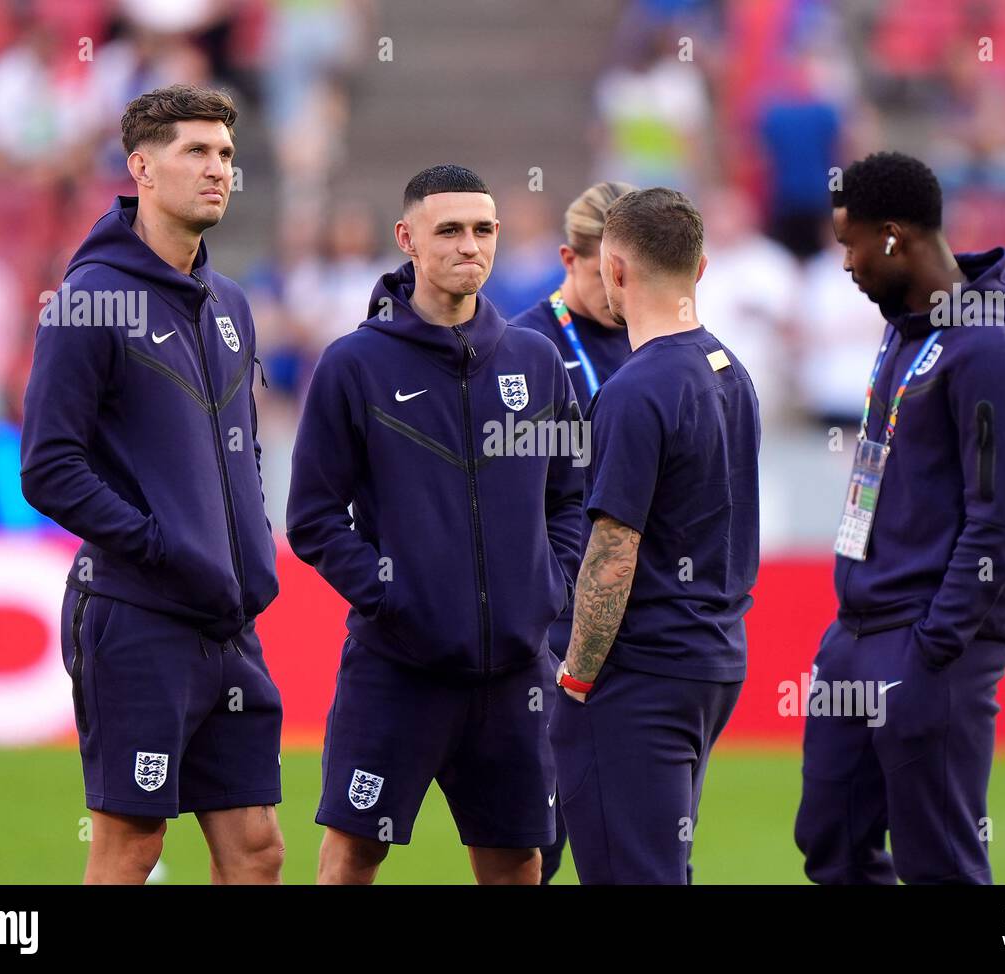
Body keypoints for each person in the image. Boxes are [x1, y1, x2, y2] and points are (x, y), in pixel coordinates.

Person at [286, 165, 583, 885]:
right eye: (449, 230)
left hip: (516, 675)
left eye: (483, 230)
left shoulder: (536, 362)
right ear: (408, 239)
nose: (468, 246)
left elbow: (573, 498)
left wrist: (547, 585)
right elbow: (313, 517)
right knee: (352, 857)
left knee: (518, 864)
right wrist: (391, 598)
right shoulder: (354, 364)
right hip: (399, 670)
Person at [20, 85, 284, 884]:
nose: (218, 171)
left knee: (258, 850)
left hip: (229, 622)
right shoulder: (88, 299)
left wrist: (241, 553)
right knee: (131, 847)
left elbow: (242, 451)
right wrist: (160, 545)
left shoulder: (231, 302)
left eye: (227, 156)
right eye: (195, 152)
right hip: (137, 616)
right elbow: (48, 465)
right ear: (141, 166)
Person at [794, 151, 1005, 884]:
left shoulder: (991, 352)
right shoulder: (903, 331)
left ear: (895, 235)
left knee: (939, 862)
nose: (845, 263)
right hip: (858, 633)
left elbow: (1001, 518)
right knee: (831, 845)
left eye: (851, 243)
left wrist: (937, 643)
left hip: (927, 644)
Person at [550, 187, 760, 884]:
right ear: (699, 269)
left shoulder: (636, 389)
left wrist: (577, 675)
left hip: (643, 671)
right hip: (712, 659)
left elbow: (613, 550)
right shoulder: (730, 371)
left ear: (612, 270)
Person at [510, 179, 635, 883]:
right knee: (541, 840)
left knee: (638, 838)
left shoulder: (658, 338)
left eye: (632, 273)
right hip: (554, 627)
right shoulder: (523, 344)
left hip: (641, 628)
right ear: (568, 257)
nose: (620, 291)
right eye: (604, 272)